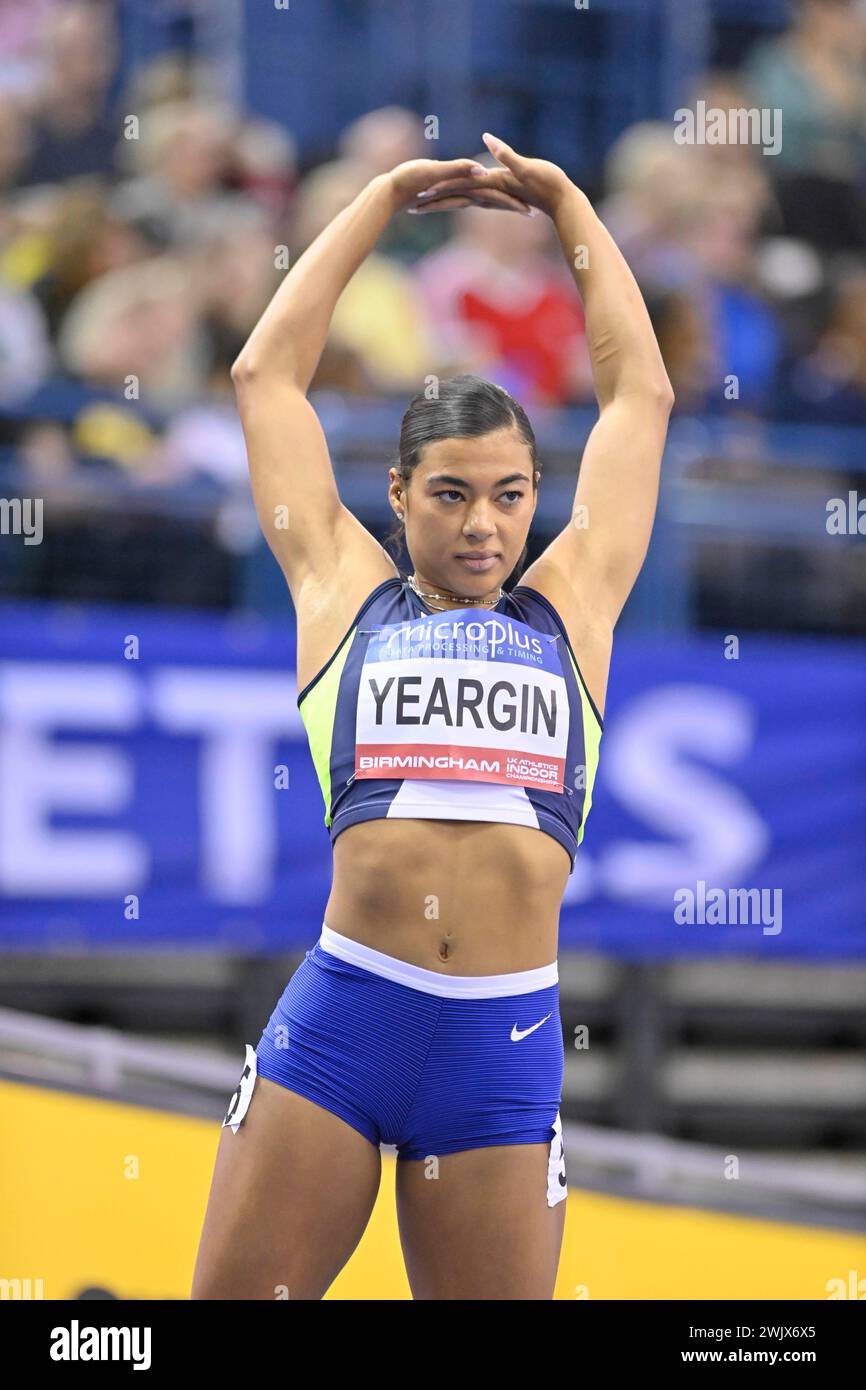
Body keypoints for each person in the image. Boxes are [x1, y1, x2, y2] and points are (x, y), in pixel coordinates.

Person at [191, 133, 673, 1301]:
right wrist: (375, 202)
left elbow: (639, 394)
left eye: (509, 497)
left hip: (498, 1056)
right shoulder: (338, 599)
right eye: (449, 494)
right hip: (344, 1025)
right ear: (398, 491)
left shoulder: (575, 609)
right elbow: (265, 378)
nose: (482, 528)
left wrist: (565, 203)